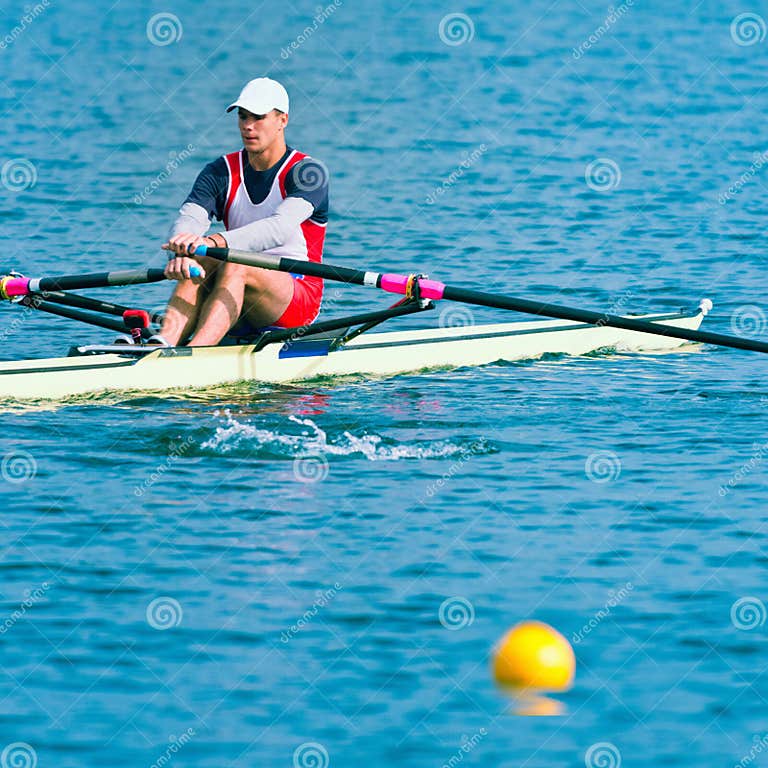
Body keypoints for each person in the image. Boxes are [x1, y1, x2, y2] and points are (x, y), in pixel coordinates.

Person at [158, 77, 328, 346]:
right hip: (233, 285)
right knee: (198, 260)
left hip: (296, 295)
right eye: (243, 116)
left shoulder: (308, 173)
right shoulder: (219, 171)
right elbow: (190, 218)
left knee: (235, 261)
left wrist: (211, 242)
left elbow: (279, 228)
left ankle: (195, 353)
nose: (248, 126)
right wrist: (182, 249)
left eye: (258, 117)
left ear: (282, 120)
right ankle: (164, 342)